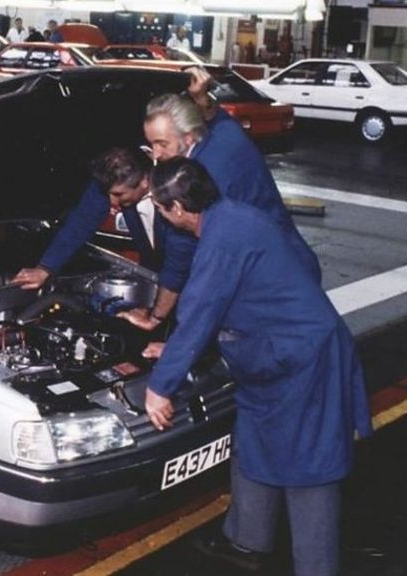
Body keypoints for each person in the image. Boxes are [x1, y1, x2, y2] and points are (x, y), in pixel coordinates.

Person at [141, 157, 371, 576]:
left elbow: (201, 310)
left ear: (176, 209)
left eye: (157, 205)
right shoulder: (231, 216)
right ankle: (248, 540)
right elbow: (222, 303)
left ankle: (316, 569)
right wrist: (176, 346)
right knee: (252, 443)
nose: (156, 212)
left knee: (309, 471)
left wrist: (161, 386)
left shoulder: (221, 241)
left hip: (303, 363)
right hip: (275, 358)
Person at [120, 90, 320, 330]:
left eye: (162, 144)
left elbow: (180, 255)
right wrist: (202, 97)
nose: (156, 154)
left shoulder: (196, 178)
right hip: (292, 261)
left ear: (190, 136)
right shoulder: (225, 133)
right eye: (151, 143)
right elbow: (218, 117)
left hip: (275, 284)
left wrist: (156, 318)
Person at [13, 148, 195, 294]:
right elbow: (79, 224)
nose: (112, 203)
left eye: (118, 195)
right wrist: (45, 268)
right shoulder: (114, 178)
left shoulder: (172, 185)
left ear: (145, 182)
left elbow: (180, 256)